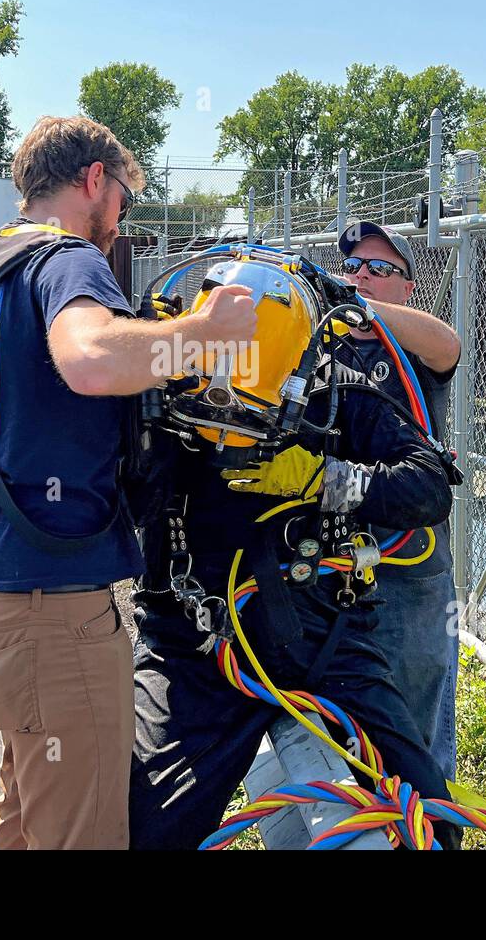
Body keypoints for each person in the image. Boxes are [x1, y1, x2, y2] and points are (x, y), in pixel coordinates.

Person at [0, 115, 256, 850]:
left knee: (27, 817)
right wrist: (207, 333)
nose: (120, 219)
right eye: (121, 195)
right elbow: (90, 360)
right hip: (54, 613)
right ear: (94, 178)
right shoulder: (68, 260)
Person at [127, 257, 461, 851]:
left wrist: (325, 481)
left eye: (253, 415)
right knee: (144, 826)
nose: (230, 426)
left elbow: (430, 486)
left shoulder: (338, 392)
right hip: (198, 646)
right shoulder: (164, 386)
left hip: (327, 638)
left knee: (429, 821)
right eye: (216, 410)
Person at [335, 218, 462, 780]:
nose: (364, 276)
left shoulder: (417, 351)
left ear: (407, 288)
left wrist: (357, 306)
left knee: (414, 722)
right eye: (354, 267)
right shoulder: (319, 348)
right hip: (334, 564)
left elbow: (449, 344)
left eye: (381, 269)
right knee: (345, 721)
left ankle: (427, 825)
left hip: (410, 569)